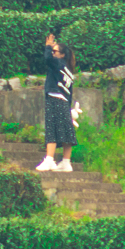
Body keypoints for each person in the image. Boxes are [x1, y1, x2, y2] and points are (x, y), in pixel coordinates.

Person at [38, 30, 78, 172]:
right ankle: (66, 162)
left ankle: (49, 159)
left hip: (54, 98)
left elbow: (47, 59)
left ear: (62, 55)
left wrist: (48, 46)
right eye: (53, 50)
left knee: (52, 129)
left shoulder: (57, 63)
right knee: (67, 131)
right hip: (64, 102)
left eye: (55, 51)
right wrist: (68, 108)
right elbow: (70, 93)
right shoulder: (69, 71)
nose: (53, 53)